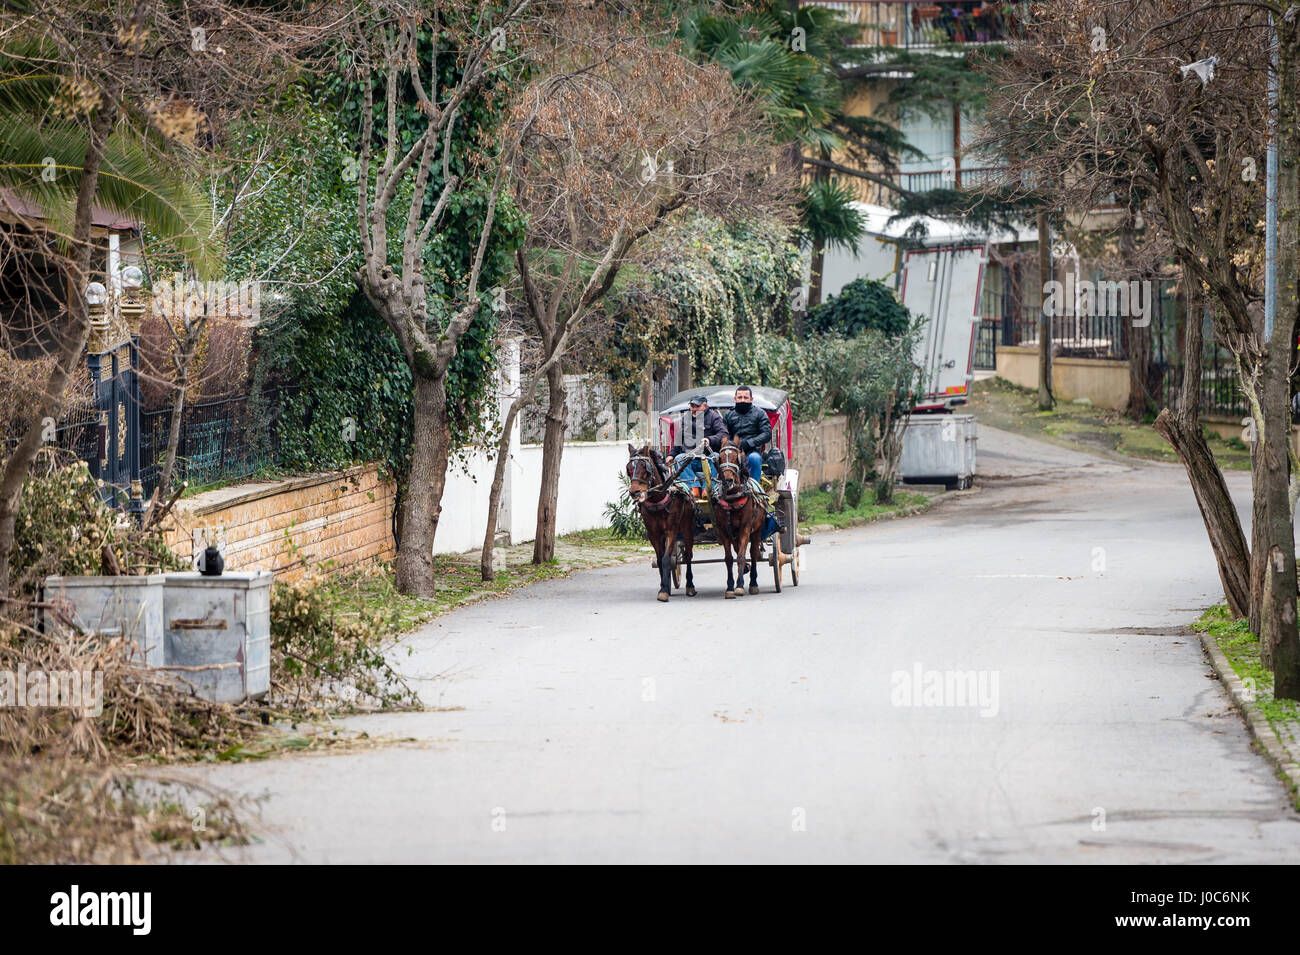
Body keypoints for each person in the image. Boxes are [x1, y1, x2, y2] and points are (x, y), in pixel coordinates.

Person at [669, 395, 726, 495]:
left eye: (697, 406)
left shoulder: (714, 417)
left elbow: (723, 434)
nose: (694, 409)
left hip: (707, 458)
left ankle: (707, 489)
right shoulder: (685, 418)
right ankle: (693, 487)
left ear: (705, 406)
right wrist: (671, 455)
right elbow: (679, 439)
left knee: (716, 457)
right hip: (690, 458)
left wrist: (709, 440)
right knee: (678, 458)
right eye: (692, 406)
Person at [723, 385, 771, 483]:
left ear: (751, 399)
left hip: (752, 452)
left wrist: (749, 443)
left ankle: (754, 488)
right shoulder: (728, 415)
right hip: (732, 452)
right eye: (740, 397)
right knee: (716, 458)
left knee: (755, 458)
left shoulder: (760, 413)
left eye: (746, 397)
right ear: (735, 399)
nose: (743, 400)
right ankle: (719, 488)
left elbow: (767, 434)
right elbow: (723, 433)